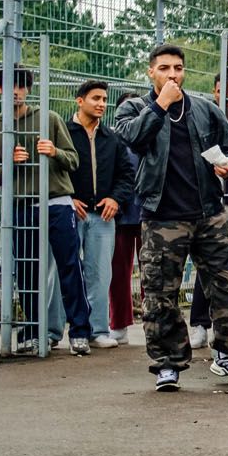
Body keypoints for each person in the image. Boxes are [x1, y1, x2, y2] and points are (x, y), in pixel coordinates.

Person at [113, 45, 228, 391]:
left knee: (227, 287)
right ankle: (168, 364)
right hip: (162, 217)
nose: (172, 74)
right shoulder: (135, 108)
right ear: (151, 73)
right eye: (164, 68)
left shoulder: (204, 109)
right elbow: (131, 138)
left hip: (208, 213)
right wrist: (161, 105)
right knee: (160, 294)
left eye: (177, 68)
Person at [0, 68, 92, 355]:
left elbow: (74, 160)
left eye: (21, 86)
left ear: (28, 90)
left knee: (70, 266)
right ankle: (34, 332)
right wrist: (10, 163)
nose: (15, 91)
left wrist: (54, 151)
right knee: (27, 271)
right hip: (22, 207)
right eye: (9, 86)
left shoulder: (49, 119)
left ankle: (79, 331)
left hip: (57, 203)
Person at [68, 80, 137, 350]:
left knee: (100, 274)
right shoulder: (65, 132)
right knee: (65, 272)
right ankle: (56, 332)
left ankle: (98, 330)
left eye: (104, 99)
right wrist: (68, 198)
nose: (101, 104)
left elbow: (126, 175)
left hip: (103, 217)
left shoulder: (112, 138)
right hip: (72, 213)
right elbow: (56, 170)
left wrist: (116, 199)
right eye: (95, 98)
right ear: (80, 100)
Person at [187, 72, 228, 349]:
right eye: (223, 90)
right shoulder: (205, 116)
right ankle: (200, 324)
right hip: (209, 202)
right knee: (206, 269)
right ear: (214, 92)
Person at [109, 92, 145, 344]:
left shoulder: (150, 135)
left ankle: (153, 320)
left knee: (152, 272)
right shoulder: (112, 139)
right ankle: (119, 323)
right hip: (120, 214)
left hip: (148, 213)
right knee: (118, 271)